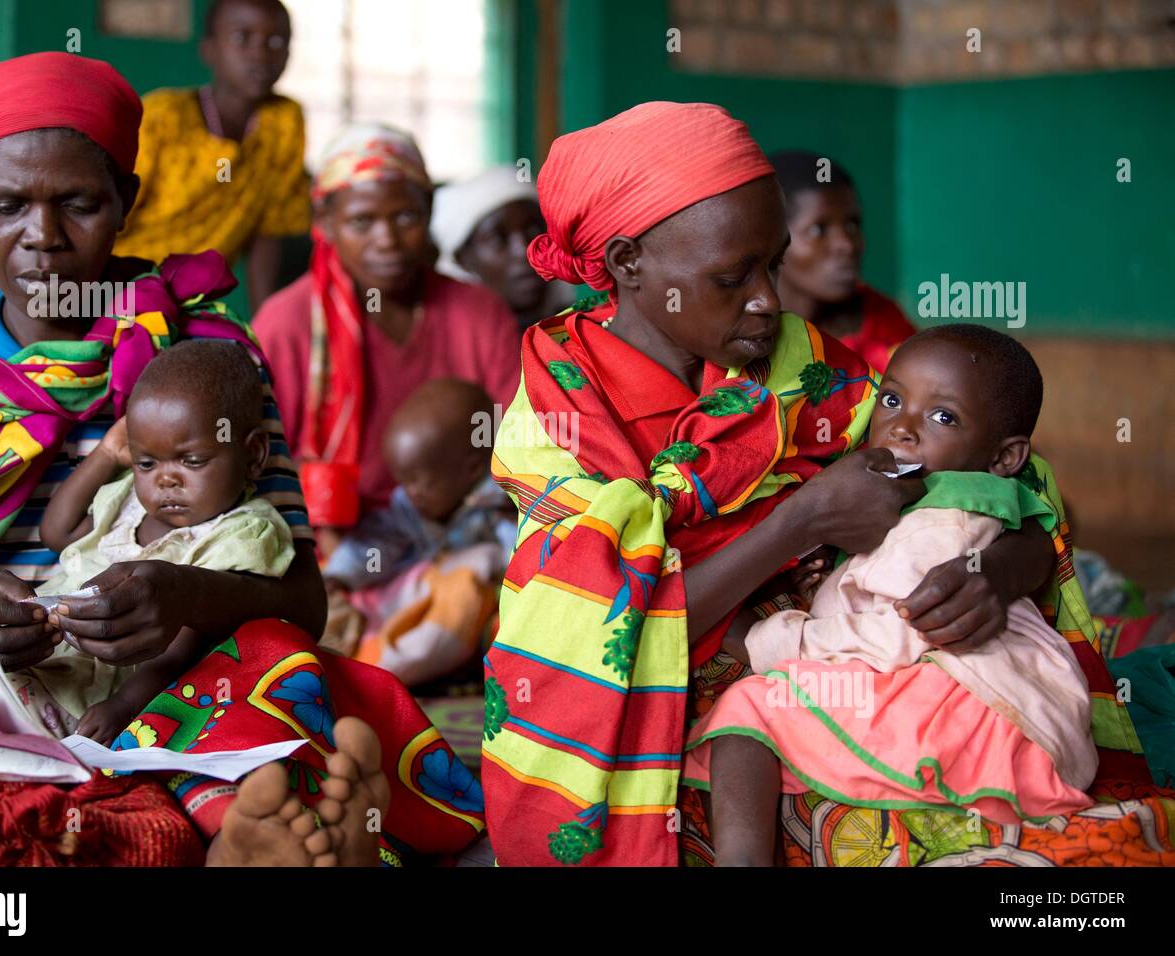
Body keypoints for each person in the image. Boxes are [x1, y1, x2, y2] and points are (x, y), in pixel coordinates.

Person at [481, 101, 1137, 867]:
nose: (770, 298)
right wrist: (798, 525)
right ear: (629, 264)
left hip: (835, 663)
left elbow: (1003, 481)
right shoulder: (558, 416)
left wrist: (997, 570)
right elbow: (593, 630)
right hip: (651, 714)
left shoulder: (797, 362)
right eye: (734, 277)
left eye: (772, 261)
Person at [0, 51, 482, 867]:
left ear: (127, 198)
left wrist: (186, 593)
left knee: (274, 667)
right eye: (7, 204)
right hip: (1, 711)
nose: (42, 239)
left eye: (80, 204)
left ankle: (237, 823)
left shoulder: (203, 357)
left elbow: (300, 599)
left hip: (175, 703)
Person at [685, 325, 1096, 866]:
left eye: (943, 417)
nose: (902, 428)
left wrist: (764, 638)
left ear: (1004, 458)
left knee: (752, 708)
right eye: (893, 399)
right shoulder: (957, 501)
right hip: (1009, 713)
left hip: (976, 714)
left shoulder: (942, 520)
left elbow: (893, 634)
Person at [11, 339, 293, 745]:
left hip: (123, 697)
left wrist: (124, 707)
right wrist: (107, 454)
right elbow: (56, 532)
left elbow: (184, 648)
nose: (166, 479)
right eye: (147, 462)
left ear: (252, 456)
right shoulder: (126, 501)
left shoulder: (242, 532)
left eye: (191, 460)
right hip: (57, 666)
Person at [253, 123, 521, 540]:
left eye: (405, 216)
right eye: (362, 221)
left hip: (465, 535)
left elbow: (519, 449)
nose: (388, 240)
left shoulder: (479, 314)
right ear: (324, 223)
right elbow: (258, 470)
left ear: (429, 212)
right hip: (319, 544)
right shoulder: (286, 324)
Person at [114, 0, 310, 315]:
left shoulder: (284, 122)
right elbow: (111, 216)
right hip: (122, 286)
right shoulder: (164, 117)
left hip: (195, 302)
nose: (260, 53)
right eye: (241, 38)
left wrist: (264, 324)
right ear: (209, 49)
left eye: (276, 42)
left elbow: (267, 231)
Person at [321, 378, 516, 685]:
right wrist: (339, 574)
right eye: (401, 479)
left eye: (417, 482)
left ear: (472, 469)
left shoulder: (503, 503)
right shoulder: (409, 507)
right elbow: (378, 544)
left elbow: (522, 561)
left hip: (471, 610)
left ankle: (385, 668)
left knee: (466, 589)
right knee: (329, 580)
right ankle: (369, 651)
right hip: (417, 601)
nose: (407, 491)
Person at [770, 150, 915, 372]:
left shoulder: (883, 322)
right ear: (771, 238)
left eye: (852, 225)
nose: (847, 244)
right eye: (818, 229)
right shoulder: (744, 335)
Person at [430, 165, 574, 333]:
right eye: (498, 239)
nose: (523, 251)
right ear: (463, 258)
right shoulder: (455, 347)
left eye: (534, 230)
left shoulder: (582, 332)